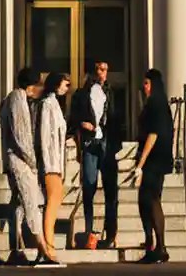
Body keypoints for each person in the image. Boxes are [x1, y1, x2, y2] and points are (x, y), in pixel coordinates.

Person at [68, 59, 121, 249]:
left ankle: (111, 234)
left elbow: (116, 118)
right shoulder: (82, 94)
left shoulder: (110, 92)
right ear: (93, 71)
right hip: (90, 144)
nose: (103, 73)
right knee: (89, 188)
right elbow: (73, 118)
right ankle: (89, 231)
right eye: (99, 69)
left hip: (107, 144)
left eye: (106, 69)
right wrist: (82, 124)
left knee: (111, 191)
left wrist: (116, 145)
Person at [0, 67, 45, 265]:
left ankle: (16, 249)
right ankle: (43, 249)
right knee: (31, 203)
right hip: (20, 162)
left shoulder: (11, 99)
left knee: (19, 206)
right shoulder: (17, 99)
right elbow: (21, 135)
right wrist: (33, 162)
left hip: (13, 160)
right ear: (32, 85)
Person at [130, 68, 172, 265]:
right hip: (156, 159)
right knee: (145, 201)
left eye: (147, 83)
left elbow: (153, 135)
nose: (144, 87)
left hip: (155, 159)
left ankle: (159, 247)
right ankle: (151, 244)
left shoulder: (156, 105)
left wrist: (141, 163)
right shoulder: (156, 104)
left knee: (151, 199)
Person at [36, 71, 71, 268]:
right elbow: (44, 137)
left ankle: (49, 246)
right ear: (56, 84)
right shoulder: (47, 104)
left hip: (56, 162)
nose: (67, 88)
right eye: (65, 84)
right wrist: (49, 163)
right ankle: (48, 247)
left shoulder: (55, 104)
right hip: (51, 162)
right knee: (53, 200)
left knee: (55, 199)